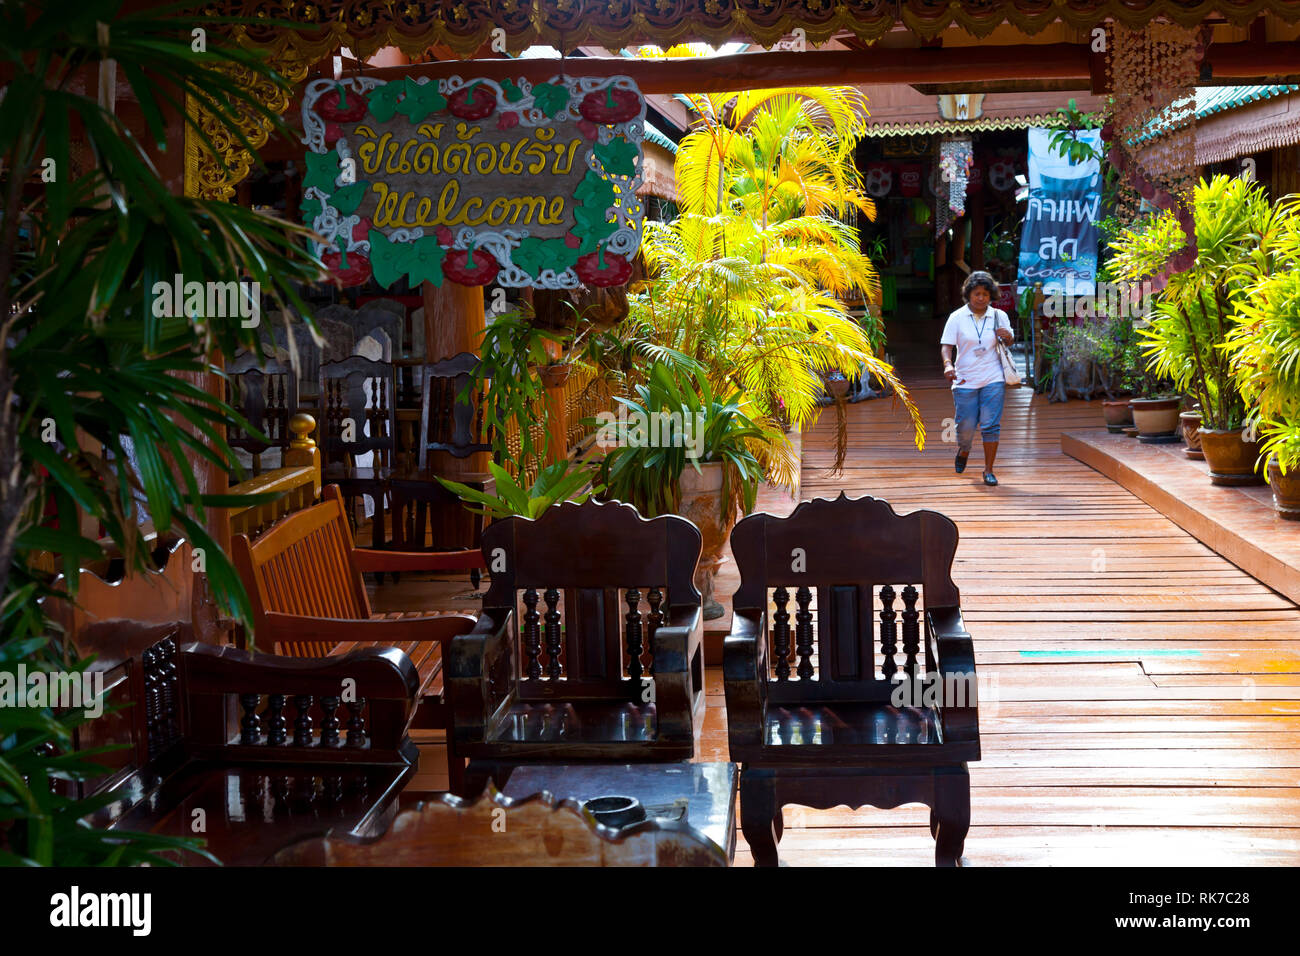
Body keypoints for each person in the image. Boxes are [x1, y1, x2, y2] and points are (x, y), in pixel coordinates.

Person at [940, 271, 1014, 486]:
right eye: (976, 294)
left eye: (985, 294)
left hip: (993, 377)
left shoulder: (1000, 316)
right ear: (968, 294)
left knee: (991, 425)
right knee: (966, 427)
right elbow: (947, 345)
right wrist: (947, 364)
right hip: (965, 379)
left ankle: (988, 470)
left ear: (991, 295)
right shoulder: (956, 317)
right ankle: (964, 449)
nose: (981, 298)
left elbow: (1009, 342)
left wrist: (1007, 337)